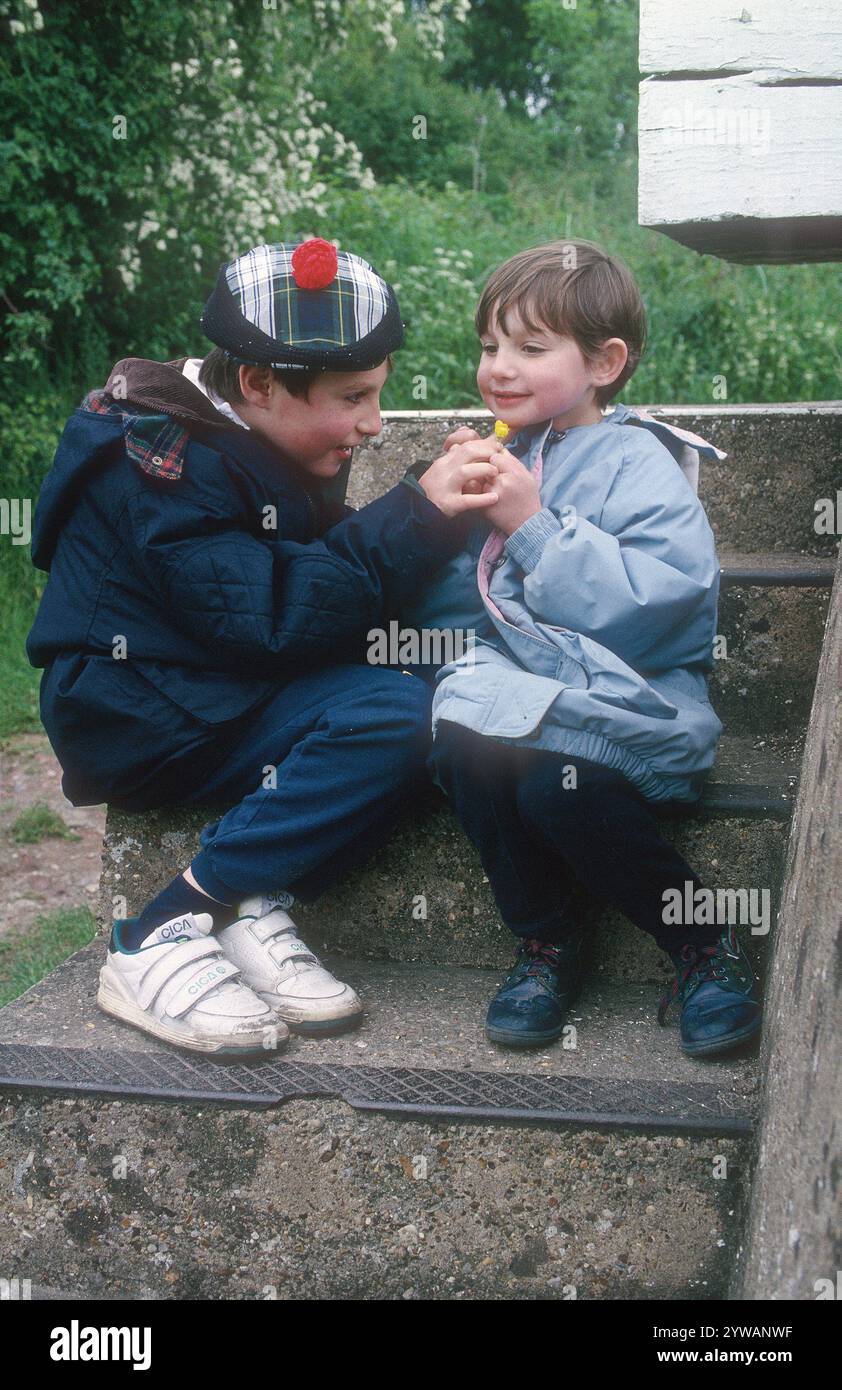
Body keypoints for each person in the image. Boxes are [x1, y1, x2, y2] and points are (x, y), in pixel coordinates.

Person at [26, 238, 500, 1056]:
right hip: (136, 708)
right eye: (352, 398)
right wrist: (417, 511)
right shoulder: (163, 461)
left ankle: (250, 909)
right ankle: (164, 928)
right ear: (258, 382)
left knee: (434, 669)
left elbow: (292, 575)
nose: (371, 423)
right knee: (391, 714)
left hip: (210, 675)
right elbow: (271, 617)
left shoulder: (247, 431)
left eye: (376, 396)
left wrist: (433, 495)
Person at [401, 239, 762, 1058]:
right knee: (462, 746)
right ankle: (550, 938)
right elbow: (458, 604)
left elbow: (662, 604)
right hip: (518, 687)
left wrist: (532, 526)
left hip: (629, 687)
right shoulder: (500, 452)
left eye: (531, 348)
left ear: (605, 362)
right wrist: (438, 514)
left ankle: (703, 942)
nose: (500, 367)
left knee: (557, 789)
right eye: (491, 345)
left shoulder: (640, 460)